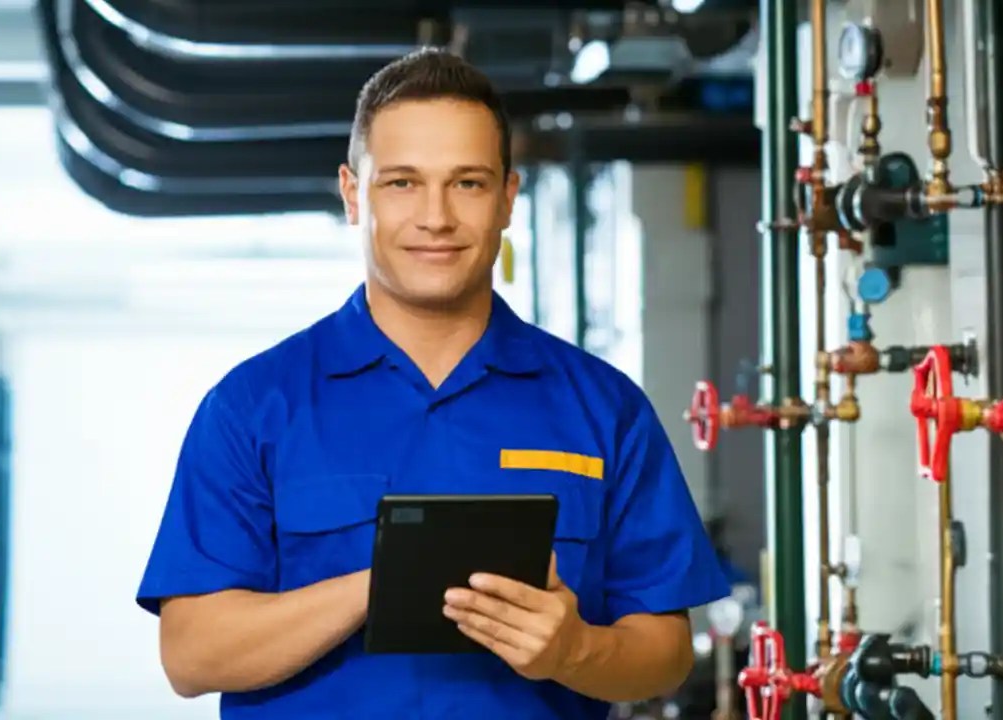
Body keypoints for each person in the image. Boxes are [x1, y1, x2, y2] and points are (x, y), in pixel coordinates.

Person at [135, 47, 731, 719]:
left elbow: (666, 651)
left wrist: (572, 652)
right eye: (402, 183)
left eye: (468, 183)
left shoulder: (605, 409)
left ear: (508, 198)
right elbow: (191, 655)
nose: (436, 217)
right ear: (353, 194)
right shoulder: (253, 408)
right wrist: (388, 585)